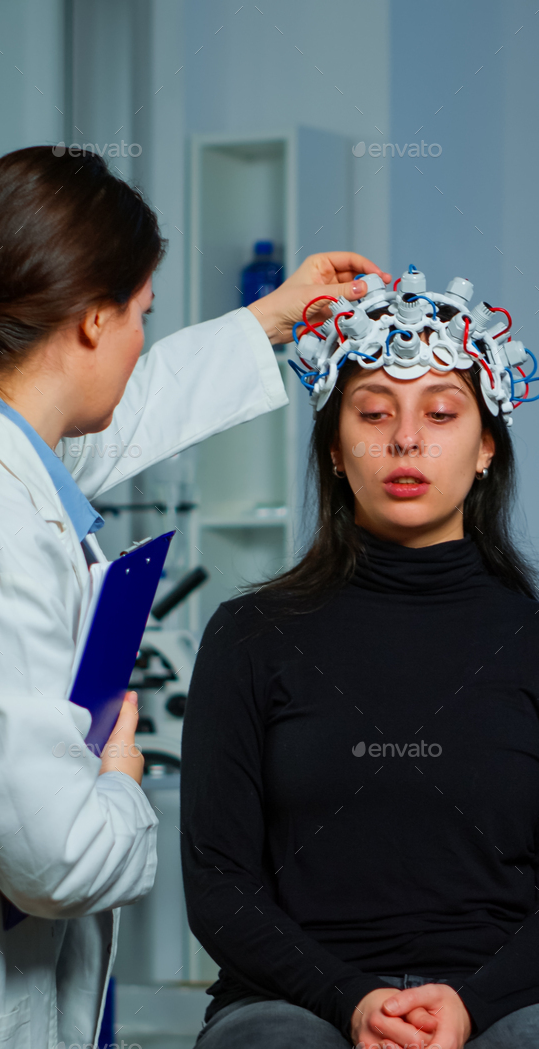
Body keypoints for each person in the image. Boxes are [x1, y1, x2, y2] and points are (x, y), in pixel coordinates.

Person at [0, 144, 388, 1049]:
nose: (144, 339)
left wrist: (268, 320)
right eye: (143, 315)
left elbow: (114, 417)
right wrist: (122, 779)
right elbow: (57, 861)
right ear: (92, 319)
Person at [180, 267, 539, 1049]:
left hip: (508, 995)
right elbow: (216, 883)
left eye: (441, 412)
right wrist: (349, 999)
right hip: (295, 998)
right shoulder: (249, 634)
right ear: (336, 453)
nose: (405, 438)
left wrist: (473, 1004)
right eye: (373, 412)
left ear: (486, 447)